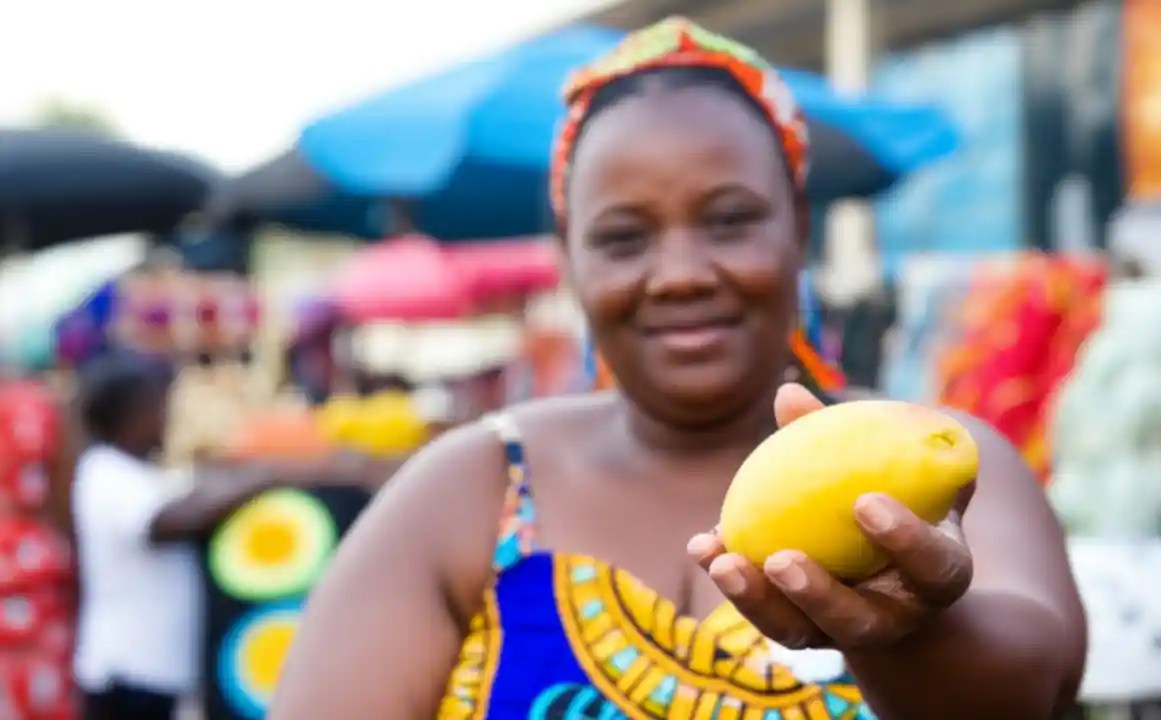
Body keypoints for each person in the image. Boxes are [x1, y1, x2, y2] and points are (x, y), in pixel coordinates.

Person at [271, 18, 1087, 719]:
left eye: (729, 220)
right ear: (569, 259)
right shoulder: (472, 489)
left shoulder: (939, 467)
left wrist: (916, 633)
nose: (681, 273)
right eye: (624, 237)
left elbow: (1036, 693)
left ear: (797, 225)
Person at [72, 353, 305, 720]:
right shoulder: (105, 473)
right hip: (127, 670)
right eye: (156, 407)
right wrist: (264, 478)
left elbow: (195, 490)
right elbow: (168, 521)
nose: (165, 419)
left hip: (156, 670)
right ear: (128, 413)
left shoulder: (143, 474)